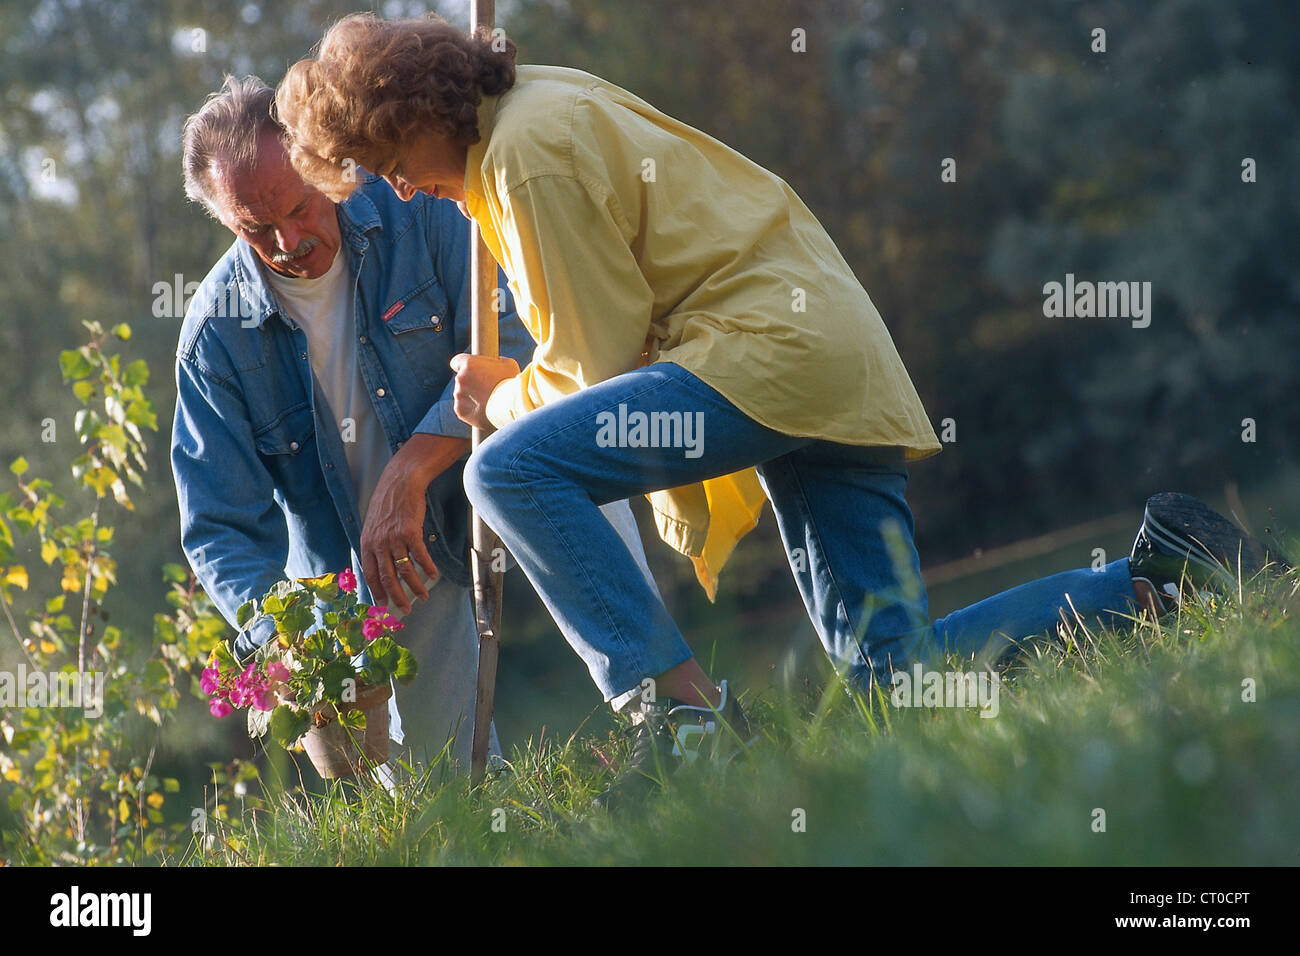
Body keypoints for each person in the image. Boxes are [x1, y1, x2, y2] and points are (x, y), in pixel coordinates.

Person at [272, 15, 1285, 798]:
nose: (398, 192)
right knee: (895, 678)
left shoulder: (528, 151)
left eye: (387, 163)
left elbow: (594, 359)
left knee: (506, 468)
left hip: (766, 355)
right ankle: (1164, 580)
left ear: (410, 118)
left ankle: (683, 717)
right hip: (817, 358)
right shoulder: (530, 115)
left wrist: (502, 393)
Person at [172, 75, 663, 774]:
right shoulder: (213, 338)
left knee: (573, 445)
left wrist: (410, 470)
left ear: (324, 166)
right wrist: (292, 640)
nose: (286, 241)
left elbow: (519, 343)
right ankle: (495, 819)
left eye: (299, 208)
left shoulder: (417, 204)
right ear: (225, 219)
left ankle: (669, 714)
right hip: (380, 568)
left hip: (495, 461)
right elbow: (220, 527)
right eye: (255, 228)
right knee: (447, 799)